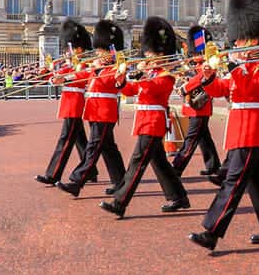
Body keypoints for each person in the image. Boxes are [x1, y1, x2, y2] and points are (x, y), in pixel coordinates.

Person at [187, 0, 259, 251]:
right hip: (239, 128)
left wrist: (234, 67)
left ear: (253, 39)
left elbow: (252, 91)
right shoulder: (242, 65)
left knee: (233, 183)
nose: (237, 43)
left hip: (251, 129)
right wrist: (208, 79)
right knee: (257, 182)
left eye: (241, 39)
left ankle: (212, 231)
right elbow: (225, 89)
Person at [100, 17, 189, 218]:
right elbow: (133, 91)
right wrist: (122, 82)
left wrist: (142, 75)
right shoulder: (151, 72)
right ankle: (179, 196)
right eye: (146, 52)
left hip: (154, 121)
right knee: (159, 162)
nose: (146, 55)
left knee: (137, 161)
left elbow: (155, 90)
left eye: (150, 52)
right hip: (145, 120)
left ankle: (120, 202)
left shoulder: (165, 74)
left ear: (161, 53)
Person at [56, 20, 127, 197]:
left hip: (105, 112)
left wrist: (97, 69)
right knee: (108, 147)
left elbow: (109, 83)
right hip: (95, 111)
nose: (97, 53)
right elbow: (81, 76)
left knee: (93, 147)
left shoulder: (114, 67)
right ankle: (120, 182)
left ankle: (77, 181)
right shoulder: (98, 66)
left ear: (111, 51)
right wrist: (64, 79)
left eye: (100, 50)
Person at [35, 19, 98, 186]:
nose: (66, 52)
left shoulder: (86, 63)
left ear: (78, 48)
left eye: (69, 49)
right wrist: (46, 72)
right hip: (69, 103)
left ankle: (53, 174)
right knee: (79, 139)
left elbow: (82, 76)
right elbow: (57, 75)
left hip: (76, 104)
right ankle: (91, 171)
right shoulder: (71, 63)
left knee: (66, 140)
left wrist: (63, 77)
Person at [171, 24, 221, 177]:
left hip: (201, 107)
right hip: (193, 106)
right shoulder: (194, 64)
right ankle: (213, 166)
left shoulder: (207, 64)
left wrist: (185, 87)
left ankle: (177, 167)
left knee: (190, 140)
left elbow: (200, 79)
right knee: (204, 138)